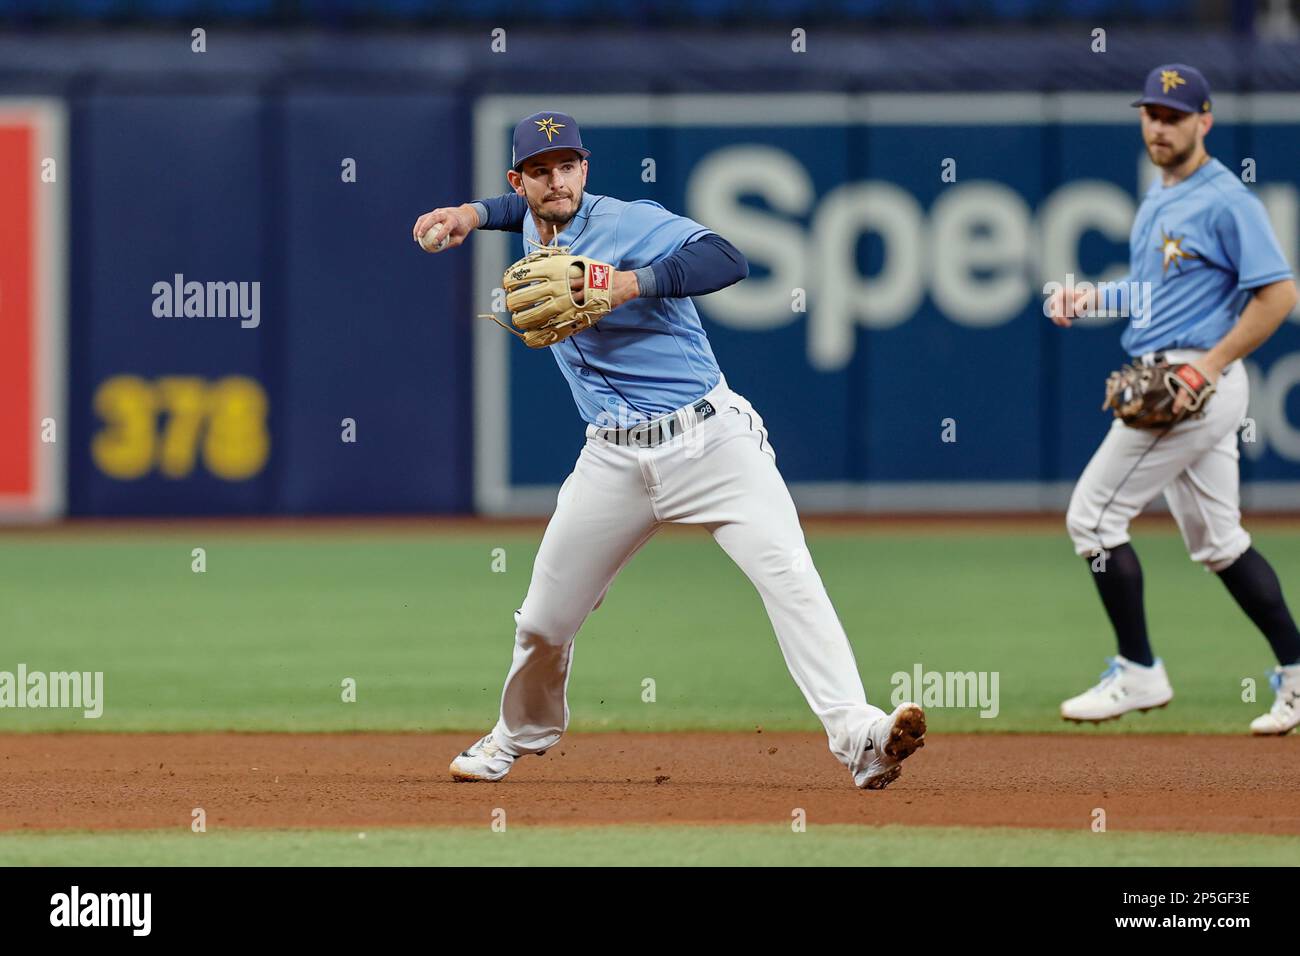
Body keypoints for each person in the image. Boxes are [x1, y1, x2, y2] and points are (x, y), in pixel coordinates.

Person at [413, 110, 926, 788]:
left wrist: (626, 282)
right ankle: (517, 735)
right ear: (522, 180)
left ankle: (861, 737)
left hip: (711, 440)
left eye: (568, 165)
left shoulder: (629, 222)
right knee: (543, 619)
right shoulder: (534, 225)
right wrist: (470, 214)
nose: (556, 180)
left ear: (585, 168)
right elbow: (522, 212)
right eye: (541, 170)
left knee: (790, 577)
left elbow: (726, 258)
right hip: (613, 460)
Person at [1048, 65, 1300, 734]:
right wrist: (1092, 298)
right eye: (1152, 113)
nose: (1160, 125)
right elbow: (1155, 294)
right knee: (1220, 542)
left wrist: (1209, 368)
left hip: (1196, 379)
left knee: (1092, 518)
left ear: (1204, 121)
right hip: (1180, 374)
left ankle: (1138, 672)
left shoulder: (1227, 200)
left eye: (1175, 115)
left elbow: (1279, 295)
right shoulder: (1160, 196)